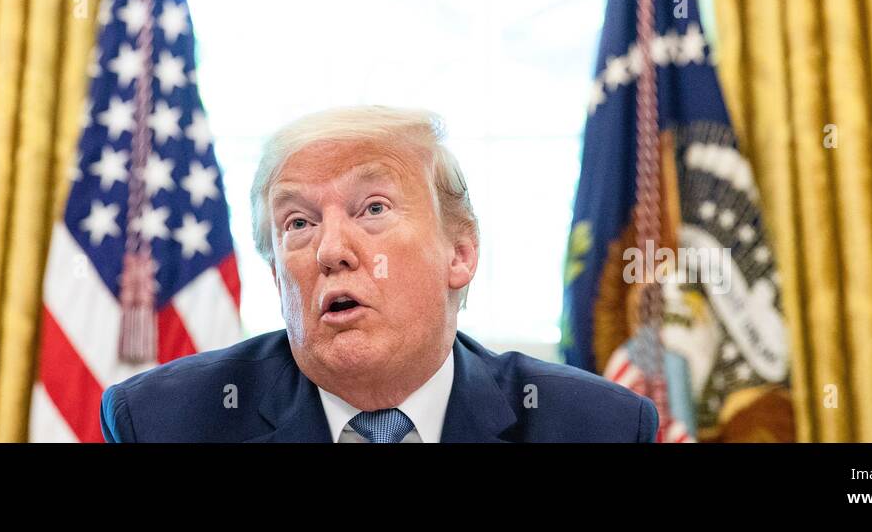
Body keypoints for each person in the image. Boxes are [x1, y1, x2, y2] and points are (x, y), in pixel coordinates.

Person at [100, 105, 658, 442]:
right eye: (298, 222)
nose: (330, 251)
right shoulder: (164, 423)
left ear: (460, 254)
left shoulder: (595, 427)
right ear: (276, 280)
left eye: (374, 209)